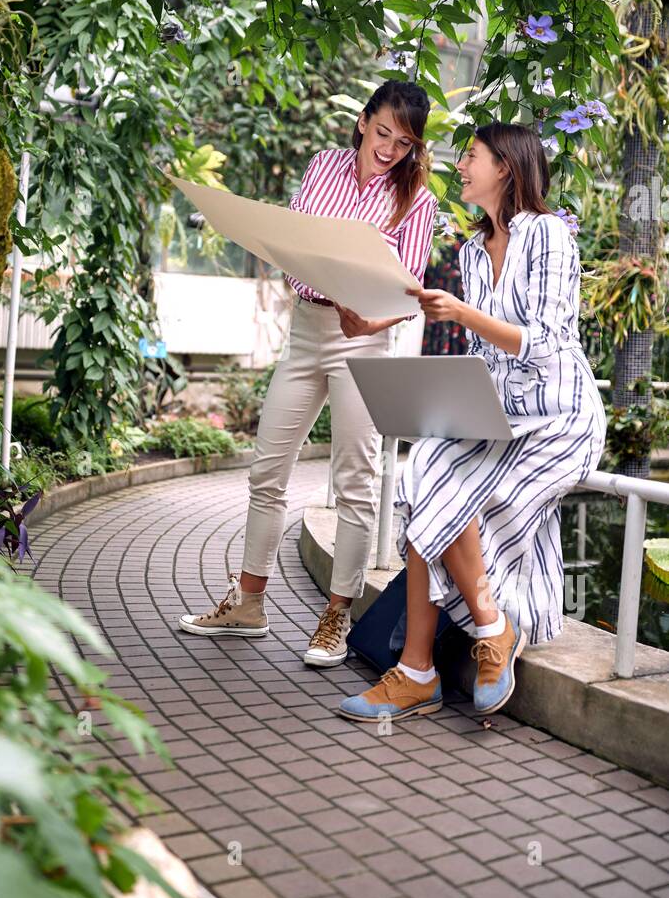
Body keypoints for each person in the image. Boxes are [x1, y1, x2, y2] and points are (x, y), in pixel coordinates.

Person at [338, 121, 607, 722]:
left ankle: (469, 641)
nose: (459, 166)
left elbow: (545, 341)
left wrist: (463, 313)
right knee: (426, 465)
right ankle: (437, 659)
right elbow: (476, 342)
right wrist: (377, 325)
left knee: (462, 501)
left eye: (471, 156)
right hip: (501, 414)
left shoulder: (550, 237)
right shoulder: (468, 252)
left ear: (506, 166)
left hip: (560, 418)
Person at [179, 81, 438, 666]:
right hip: (305, 330)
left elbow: (409, 292)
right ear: (363, 121)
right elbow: (291, 245)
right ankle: (248, 604)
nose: (390, 149)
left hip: (362, 344)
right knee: (266, 469)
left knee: (355, 480)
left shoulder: (416, 201)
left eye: (404, 142)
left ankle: (335, 617)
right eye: (382, 133)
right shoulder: (322, 167)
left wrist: (364, 324)